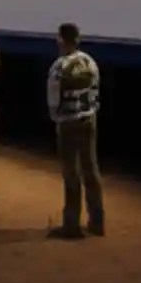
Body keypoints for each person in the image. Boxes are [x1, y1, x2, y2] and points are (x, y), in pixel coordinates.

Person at [46, 22, 105, 239]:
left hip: (68, 122)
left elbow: (53, 102)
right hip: (89, 119)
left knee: (71, 172)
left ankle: (71, 224)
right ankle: (97, 221)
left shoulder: (59, 67)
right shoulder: (90, 62)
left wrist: (58, 118)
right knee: (91, 168)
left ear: (62, 40)